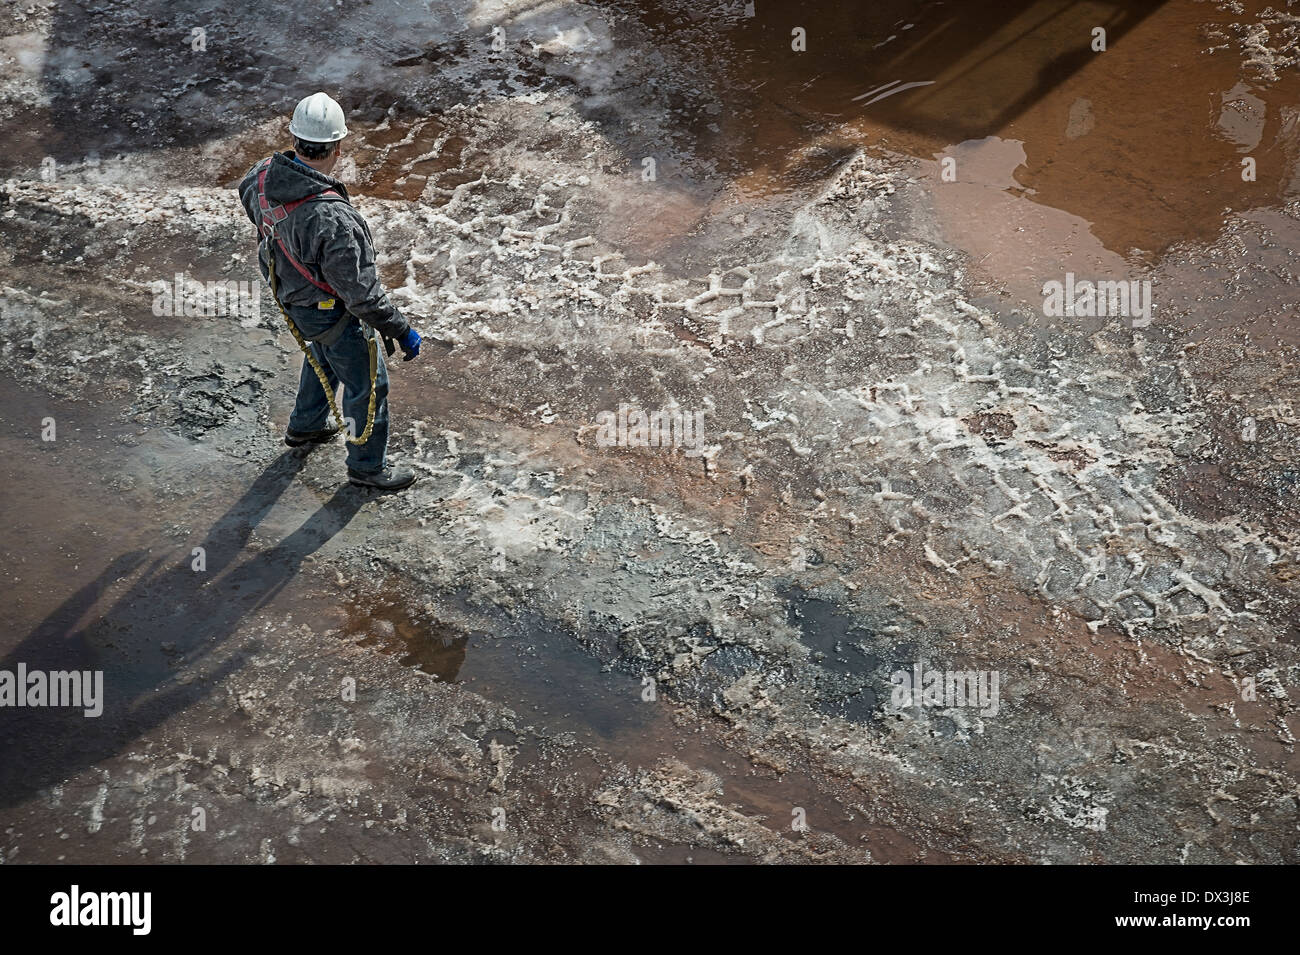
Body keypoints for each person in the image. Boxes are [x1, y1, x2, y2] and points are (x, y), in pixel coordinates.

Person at [239, 91, 420, 491]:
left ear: (294, 137)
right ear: (337, 147)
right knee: (367, 385)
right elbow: (363, 297)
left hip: (291, 295)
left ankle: (305, 428)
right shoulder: (334, 219)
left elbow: (256, 212)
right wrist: (400, 329)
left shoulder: (261, 174)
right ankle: (367, 468)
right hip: (325, 308)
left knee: (321, 356)